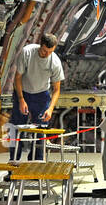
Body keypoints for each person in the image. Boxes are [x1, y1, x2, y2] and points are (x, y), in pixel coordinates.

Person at [10, 32, 65, 160]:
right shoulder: (27, 52)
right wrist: (21, 99)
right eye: (45, 51)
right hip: (23, 93)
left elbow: (56, 89)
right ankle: (13, 164)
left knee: (41, 132)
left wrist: (50, 109)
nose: (47, 55)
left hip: (42, 96)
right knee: (17, 129)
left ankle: (36, 164)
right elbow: (17, 78)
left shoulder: (55, 62)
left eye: (50, 52)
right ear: (41, 45)